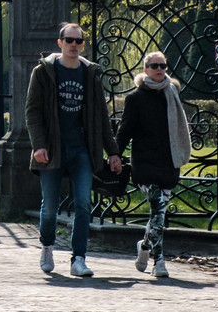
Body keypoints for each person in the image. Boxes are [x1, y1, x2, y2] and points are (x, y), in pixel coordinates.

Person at [26, 21, 123, 278]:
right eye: (69, 40)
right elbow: (32, 112)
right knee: (49, 208)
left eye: (78, 41)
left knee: (83, 204)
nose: (73, 45)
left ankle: (78, 259)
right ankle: (47, 246)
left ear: (83, 44)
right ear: (60, 43)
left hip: (82, 150)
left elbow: (101, 116)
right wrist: (39, 145)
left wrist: (112, 151)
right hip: (53, 148)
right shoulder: (44, 71)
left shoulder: (90, 73)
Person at [115, 51, 191, 279]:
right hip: (145, 165)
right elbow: (125, 129)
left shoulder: (172, 94)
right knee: (158, 207)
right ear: (145, 69)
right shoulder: (135, 99)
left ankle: (144, 246)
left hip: (168, 163)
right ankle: (159, 261)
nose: (160, 69)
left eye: (163, 65)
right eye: (155, 65)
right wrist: (114, 154)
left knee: (158, 215)